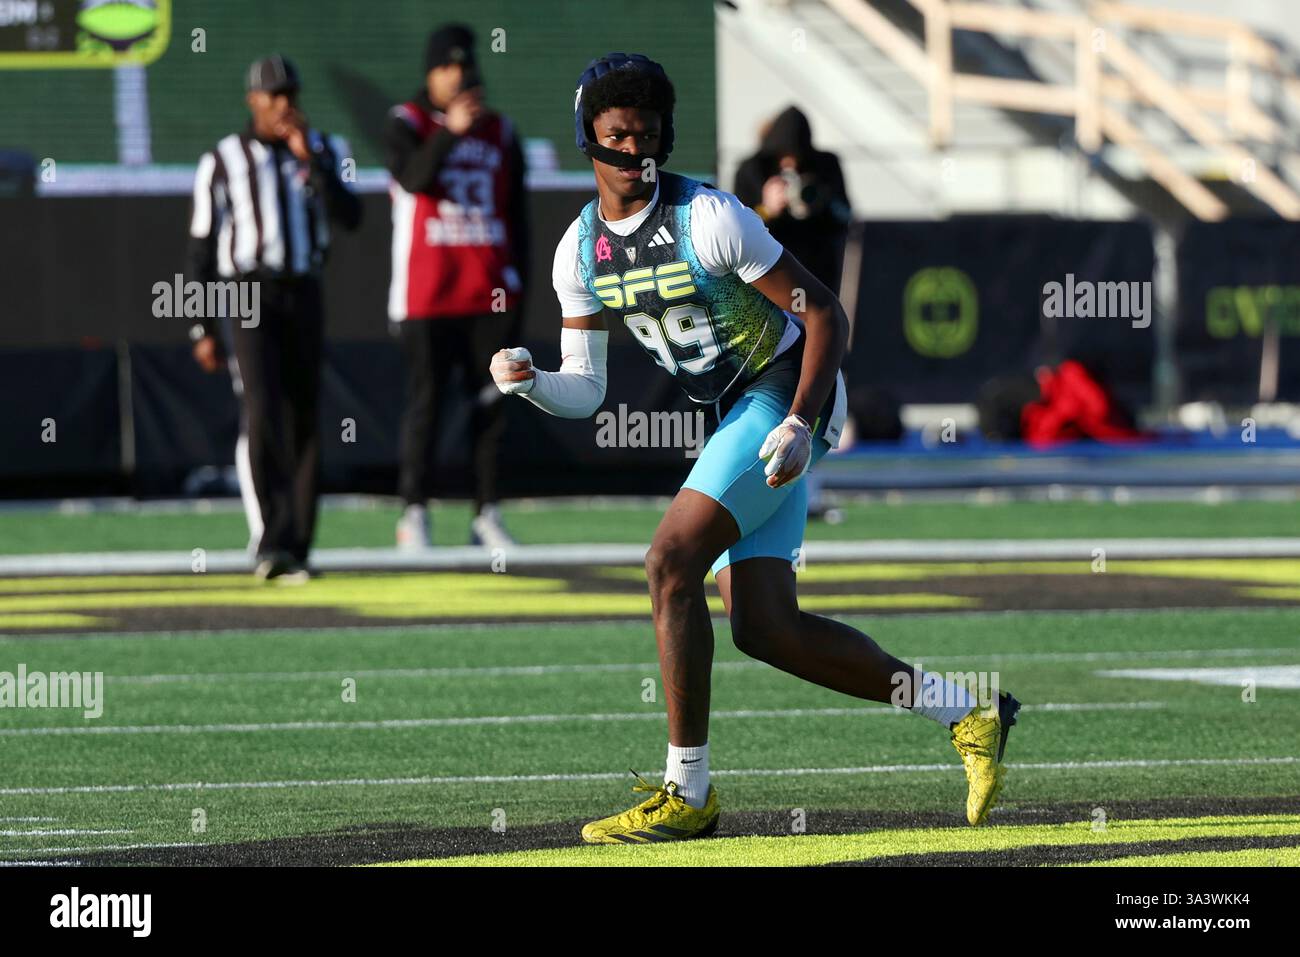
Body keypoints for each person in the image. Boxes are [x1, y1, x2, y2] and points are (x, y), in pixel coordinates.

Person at [490, 54, 1020, 843]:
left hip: (784, 390)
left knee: (669, 560)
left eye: (647, 135)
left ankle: (687, 789)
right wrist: (531, 380)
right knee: (766, 628)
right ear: (587, 141)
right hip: (739, 411)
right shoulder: (579, 250)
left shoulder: (709, 215)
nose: (634, 153)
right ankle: (968, 712)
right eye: (616, 136)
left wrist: (802, 421)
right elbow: (587, 389)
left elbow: (827, 317)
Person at [188, 54, 362, 581]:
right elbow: (199, 250)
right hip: (248, 291)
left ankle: (300, 546)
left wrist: (313, 162)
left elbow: (350, 217)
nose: (286, 105)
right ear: (253, 101)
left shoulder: (322, 149)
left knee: (305, 416)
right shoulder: (223, 159)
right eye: (275, 96)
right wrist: (201, 325)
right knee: (263, 409)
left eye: (292, 94)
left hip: (304, 289)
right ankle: (270, 541)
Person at [386, 24, 528, 550]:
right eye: (447, 66)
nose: (459, 74)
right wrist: (450, 130)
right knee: (426, 403)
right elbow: (414, 179)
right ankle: (414, 511)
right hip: (427, 292)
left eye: (465, 65)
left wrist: (520, 292)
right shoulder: (407, 122)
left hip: (488, 292)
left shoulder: (502, 132)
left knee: (491, 405)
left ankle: (486, 513)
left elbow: (519, 221)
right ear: (430, 73)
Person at [733, 106, 852, 293]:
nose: (791, 165)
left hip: (817, 269)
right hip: (769, 272)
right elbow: (736, 232)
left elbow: (844, 215)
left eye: (797, 156)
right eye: (783, 156)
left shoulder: (826, 166)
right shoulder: (751, 171)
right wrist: (766, 209)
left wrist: (821, 199)